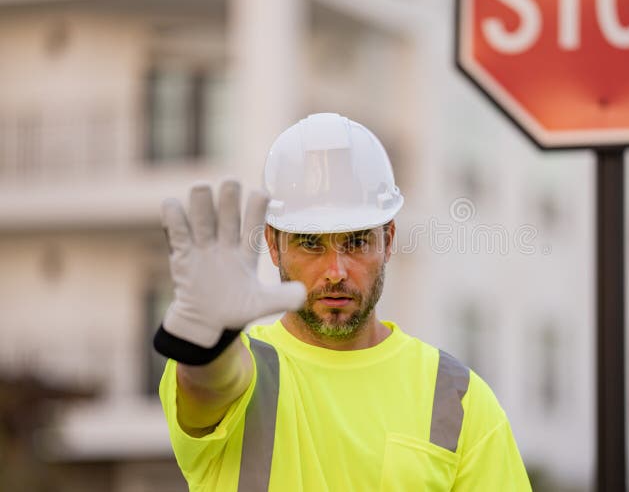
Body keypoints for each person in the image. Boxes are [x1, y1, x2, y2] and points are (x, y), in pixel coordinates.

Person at [154, 113, 532, 491]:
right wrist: (205, 339)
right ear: (273, 244)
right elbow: (211, 385)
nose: (335, 271)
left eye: (356, 242)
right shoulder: (239, 365)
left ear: (389, 239)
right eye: (310, 243)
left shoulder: (456, 397)